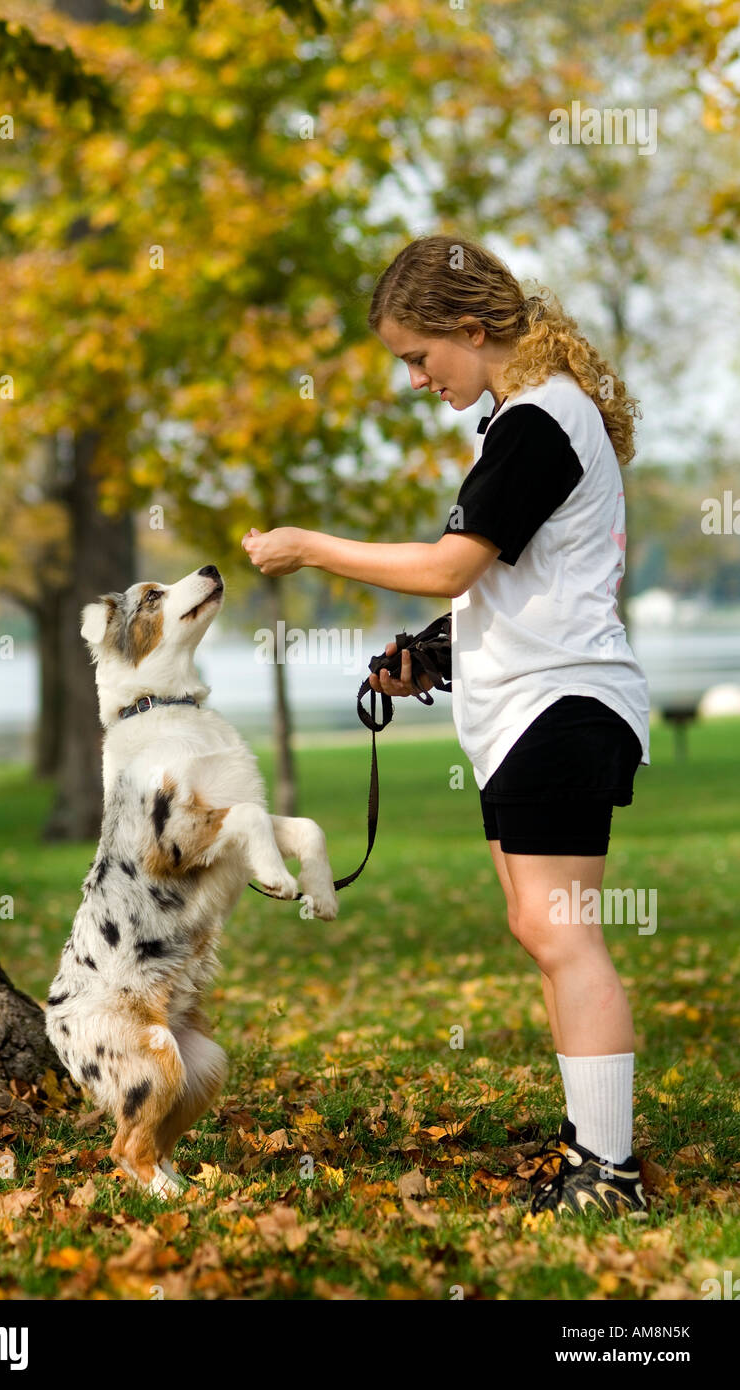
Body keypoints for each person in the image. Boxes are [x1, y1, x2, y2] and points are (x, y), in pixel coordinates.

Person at [240, 234, 651, 1219]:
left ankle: (610, 1171)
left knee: (565, 938)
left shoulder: (539, 421)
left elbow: (449, 564)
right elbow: (517, 585)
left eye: (419, 357)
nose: (417, 378)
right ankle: (586, 1149)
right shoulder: (527, 419)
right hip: (536, 707)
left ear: (472, 330)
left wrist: (308, 546)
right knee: (540, 928)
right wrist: (429, 654)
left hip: (565, 708)